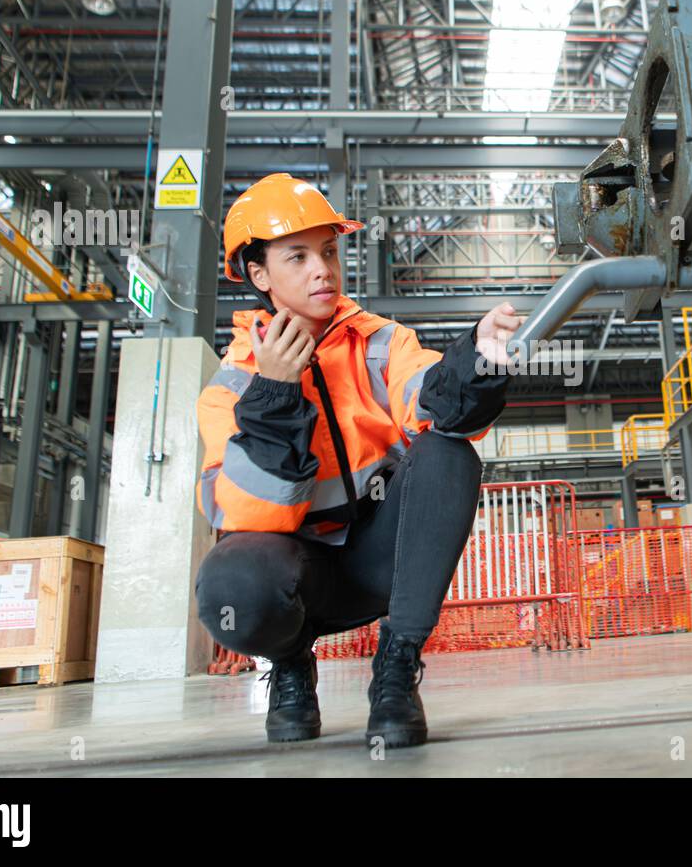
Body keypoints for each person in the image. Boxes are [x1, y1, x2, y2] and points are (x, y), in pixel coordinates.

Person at [193, 173, 522, 748]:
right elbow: (251, 518)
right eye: (296, 257)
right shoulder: (231, 387)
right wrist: (274, 397)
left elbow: (436, 407)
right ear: (258, 274)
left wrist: (477, 359)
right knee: (233, 580)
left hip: (380, 563)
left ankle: (396, 669)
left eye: (326, 251)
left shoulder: (381, 343)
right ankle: (291, 664)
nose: (322, 269)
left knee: (448, 451)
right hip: (299, 578)